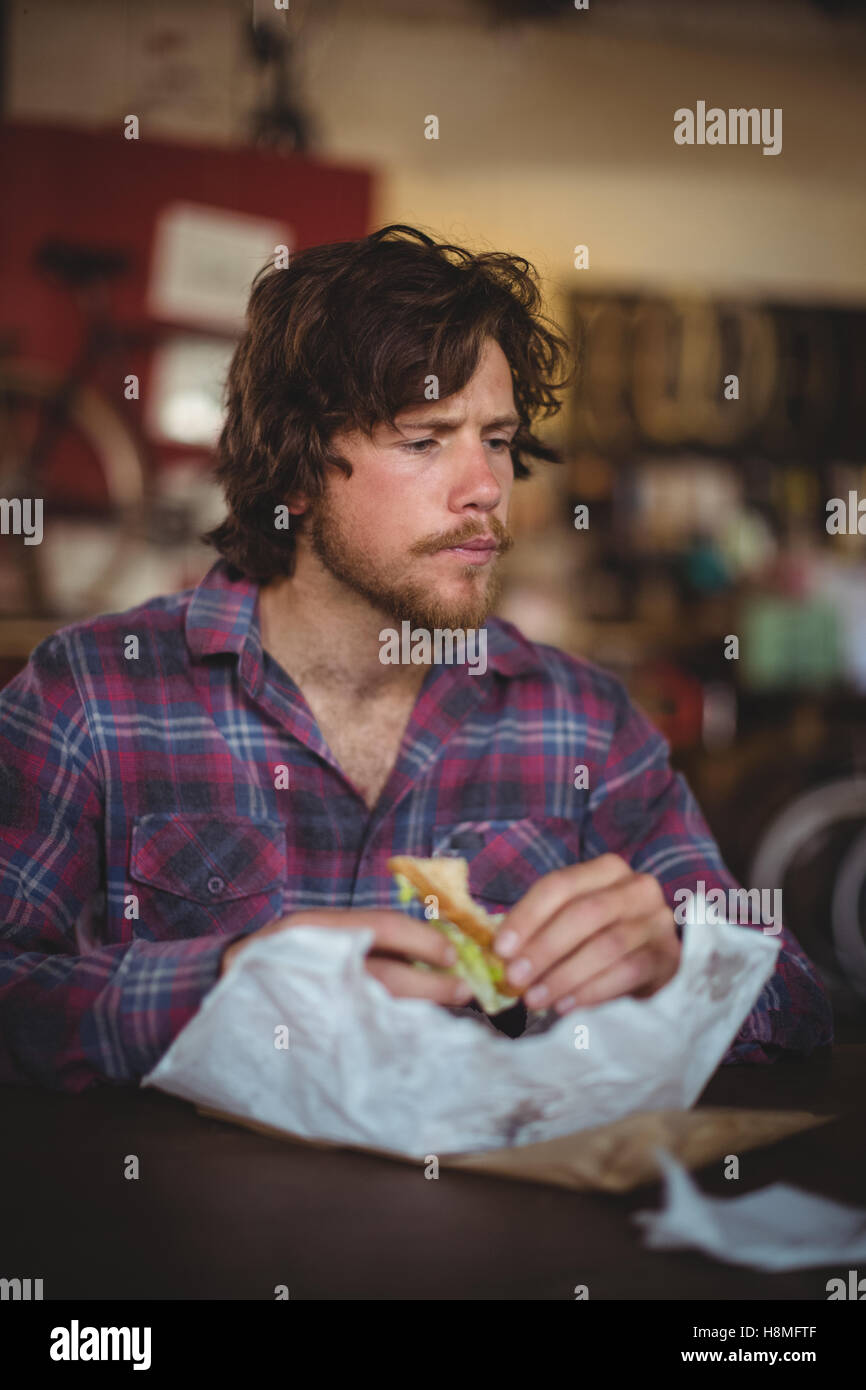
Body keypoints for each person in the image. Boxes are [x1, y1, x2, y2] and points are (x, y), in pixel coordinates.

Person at [0, 224, 832, 1089]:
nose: (484, 489)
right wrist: (225, 988)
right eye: (426, 439)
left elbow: (800, 1001)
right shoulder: (90, 696)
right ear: (295, 472)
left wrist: (682, 973)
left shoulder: (585, 725)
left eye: (499, 440)